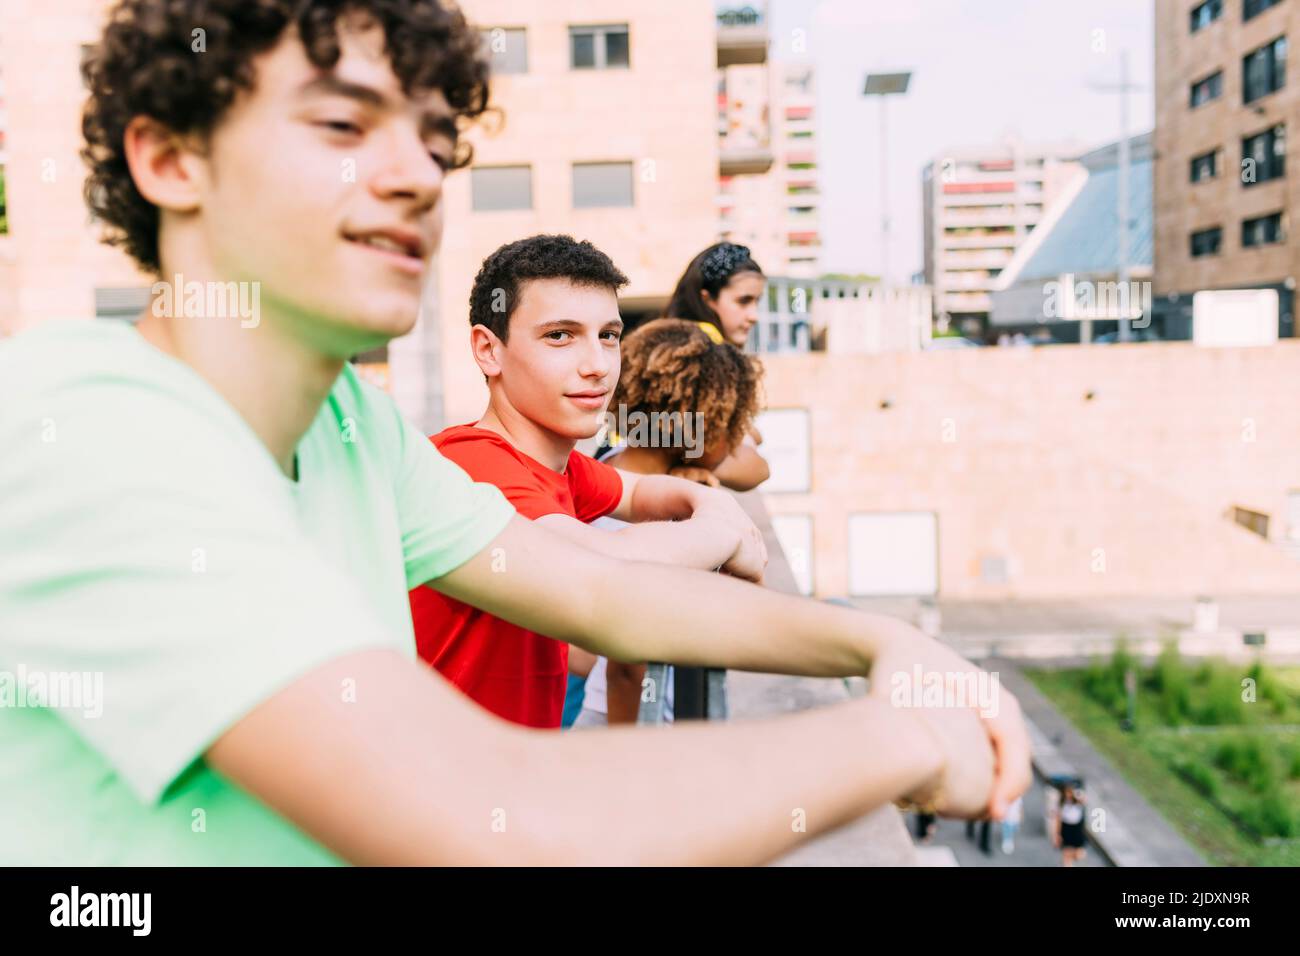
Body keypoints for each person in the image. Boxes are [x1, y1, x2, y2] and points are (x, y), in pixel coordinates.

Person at [0, 0, 1030, 865]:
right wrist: (899, 734)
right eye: (343, 127)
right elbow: (491, 813)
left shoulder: (351, 423)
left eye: (434, 141)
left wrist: (887, 641)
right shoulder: (84, 429)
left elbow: (598, 590)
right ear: (172, 159)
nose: (415, 175)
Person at [408, 235, 766, 729]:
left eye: (609, 336)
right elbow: (599, 569)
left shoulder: (566, 467)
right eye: (560, 335)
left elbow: (641, 492)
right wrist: (728, 535)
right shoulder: (471, 464)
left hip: (513, 773)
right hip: (441, 789)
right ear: (488, 350)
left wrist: (713, 505)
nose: (598, 366)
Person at [575, 319, 762, 728]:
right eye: (730, 426)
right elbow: (625, 671)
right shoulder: (659, 526)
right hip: (624, 726)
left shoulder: (605, 471)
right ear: (704, 424)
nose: (734, 443)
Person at [662, 242, 770, 491]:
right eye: (744, 301)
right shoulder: (707, 351)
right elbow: (697, 447)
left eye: (757, 302)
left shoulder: (670, 338)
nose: (754, 314)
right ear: (707, 298)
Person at [1057, 786, 1088, 866]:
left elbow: (1084, 800)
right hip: (1066, 828)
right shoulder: (1062, 804)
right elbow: (1059, 819)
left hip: (1076, 829)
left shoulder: (1078, 803)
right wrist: (1058, 834)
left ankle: (1071, 858)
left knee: (1079, 854)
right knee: (1066, 853)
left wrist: (1076, 794)